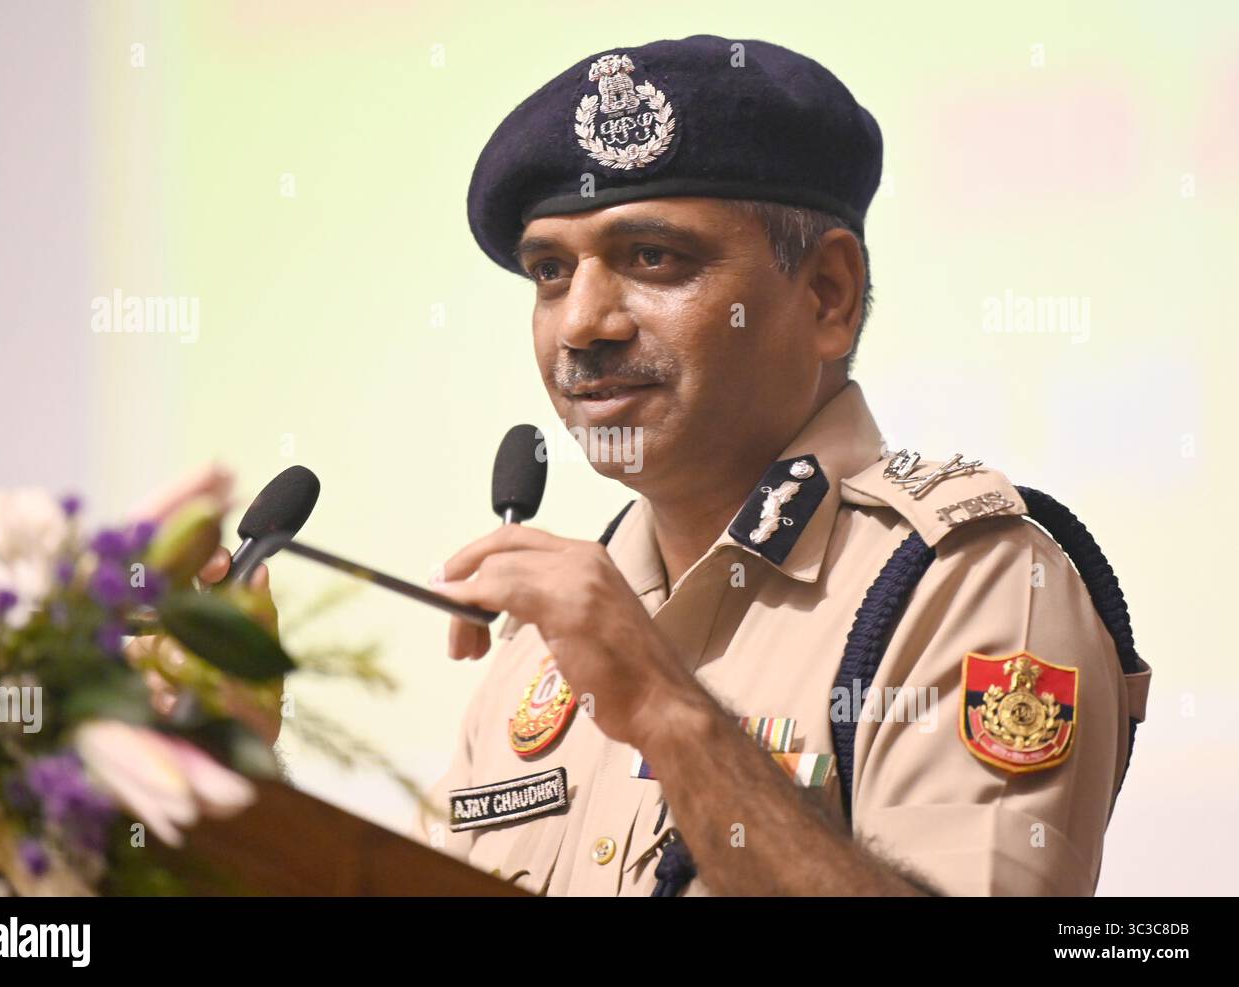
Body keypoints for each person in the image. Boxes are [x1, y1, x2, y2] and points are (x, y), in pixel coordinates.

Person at [411, 34, 1151, 896]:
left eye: (654, 258)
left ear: (828, 293)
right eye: (550, 271)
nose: (582, 324)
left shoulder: (970, 582)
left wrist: (665, 711)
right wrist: (229, 755)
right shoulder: (540, 647)